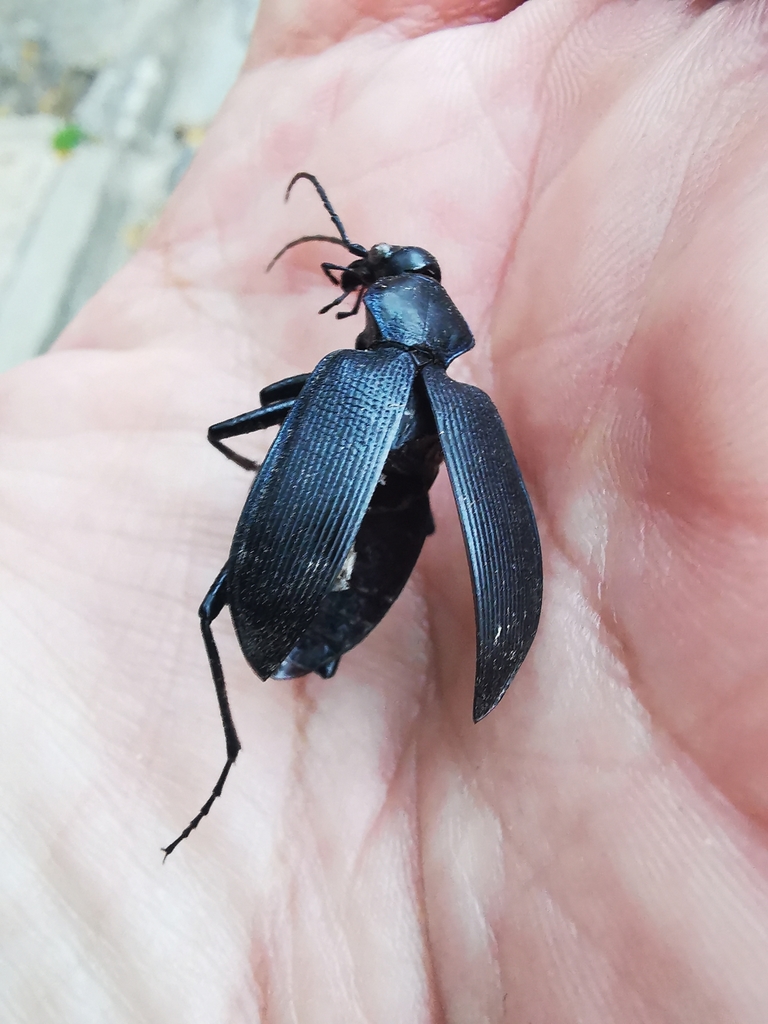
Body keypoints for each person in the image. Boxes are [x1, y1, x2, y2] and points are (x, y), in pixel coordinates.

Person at [3, 0, 768, 1019]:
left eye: (371, 273)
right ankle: (253, 712)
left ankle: (234, 748)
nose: (359, 274)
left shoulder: (352, 380)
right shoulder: (463, 406)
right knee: (225, 593)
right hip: (355, 555)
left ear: (383, 297)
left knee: (207, 602)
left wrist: (282, 507)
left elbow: (237, 439)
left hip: (319, 555)